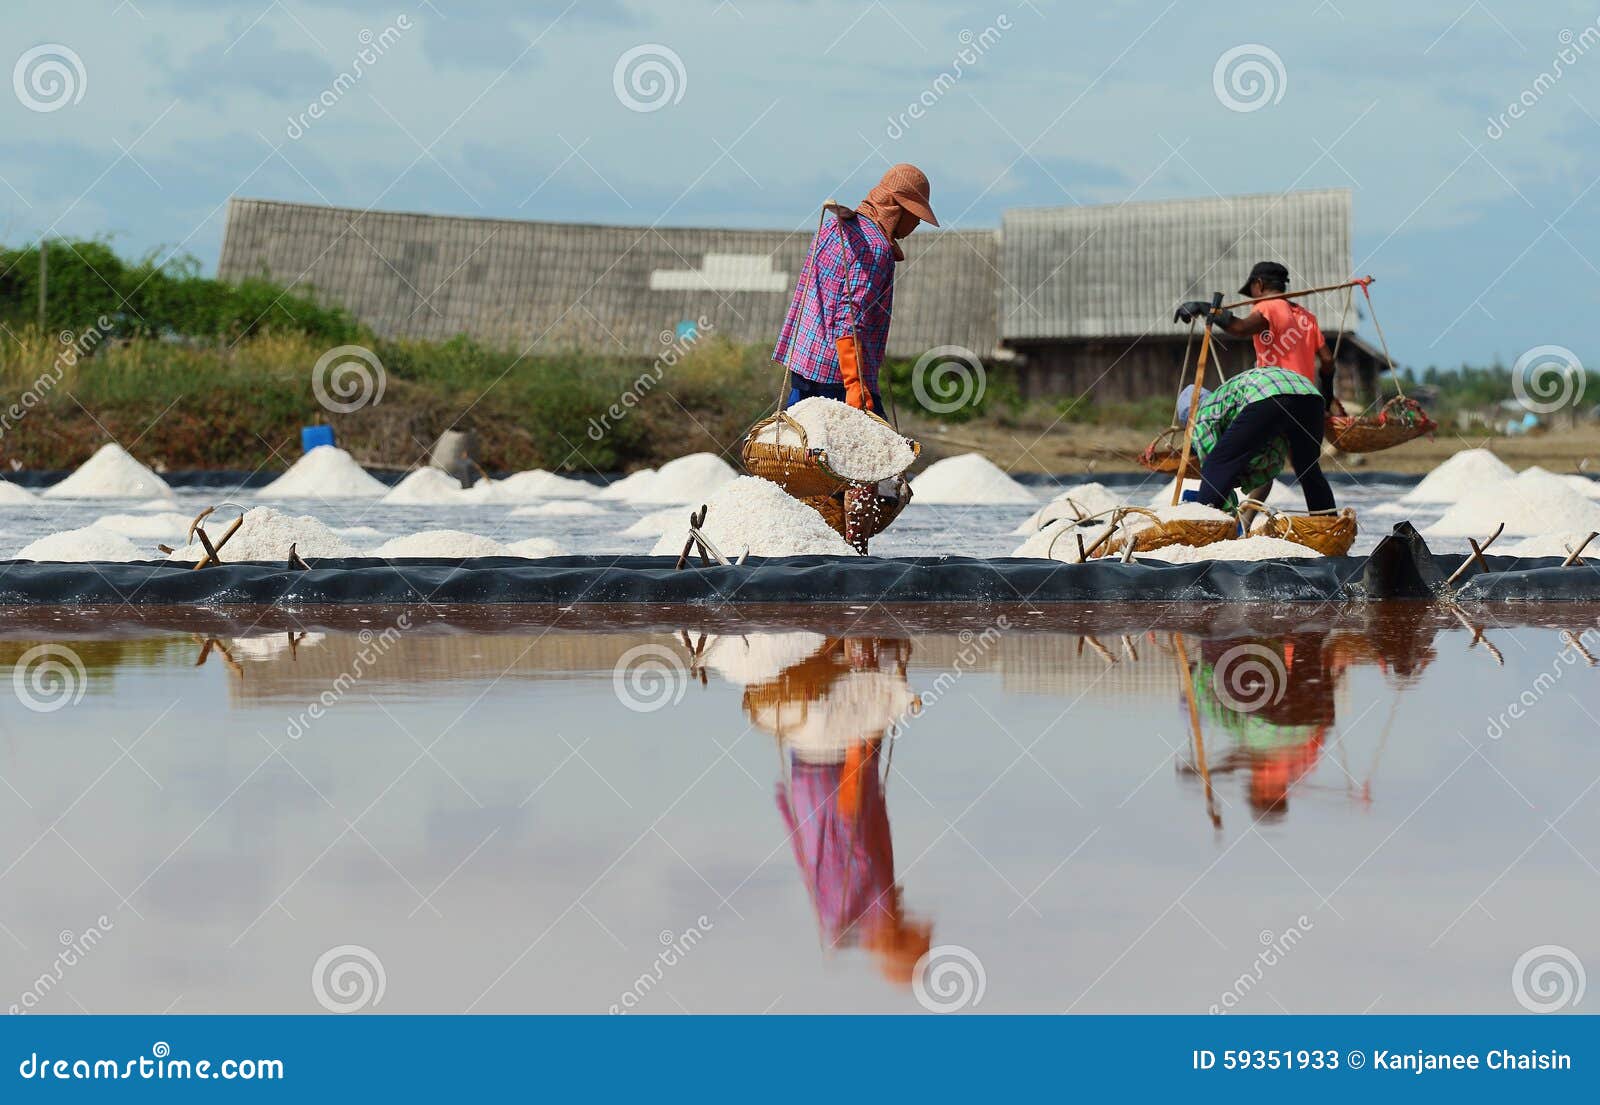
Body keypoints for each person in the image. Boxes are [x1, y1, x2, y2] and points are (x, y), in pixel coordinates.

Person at [773, 163, 939, 415]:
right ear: (895, 208)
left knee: (798, 443)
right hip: (838, 376)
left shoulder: (833, 227)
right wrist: (854, 385)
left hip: (805, 362)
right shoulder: (876, 249)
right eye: (913, 214)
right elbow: (848, 317)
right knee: (881, 451)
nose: (917, 222)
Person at [1176, 261, 1339, 407]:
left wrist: (1205, 308)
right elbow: (1327, 360)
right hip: (1307, 400)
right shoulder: (1307, 317)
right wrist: (1327, 399)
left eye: (1252, 291)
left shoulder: (1268, 306)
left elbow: (1240, 328)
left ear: (1259, 284)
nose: (1253, 299)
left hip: (1276, 397)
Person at [1174, 369, 1336, 513]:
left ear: (1189, 420)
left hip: (1269, 393)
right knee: (1308, 469)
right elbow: (1269, 451)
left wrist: (1219, 503)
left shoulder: (1202, 414)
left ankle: (1205, 523)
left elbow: (1214, 464)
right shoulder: (1226, 405)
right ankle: (1326, 525)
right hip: (1310, 395)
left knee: (1216, 464)